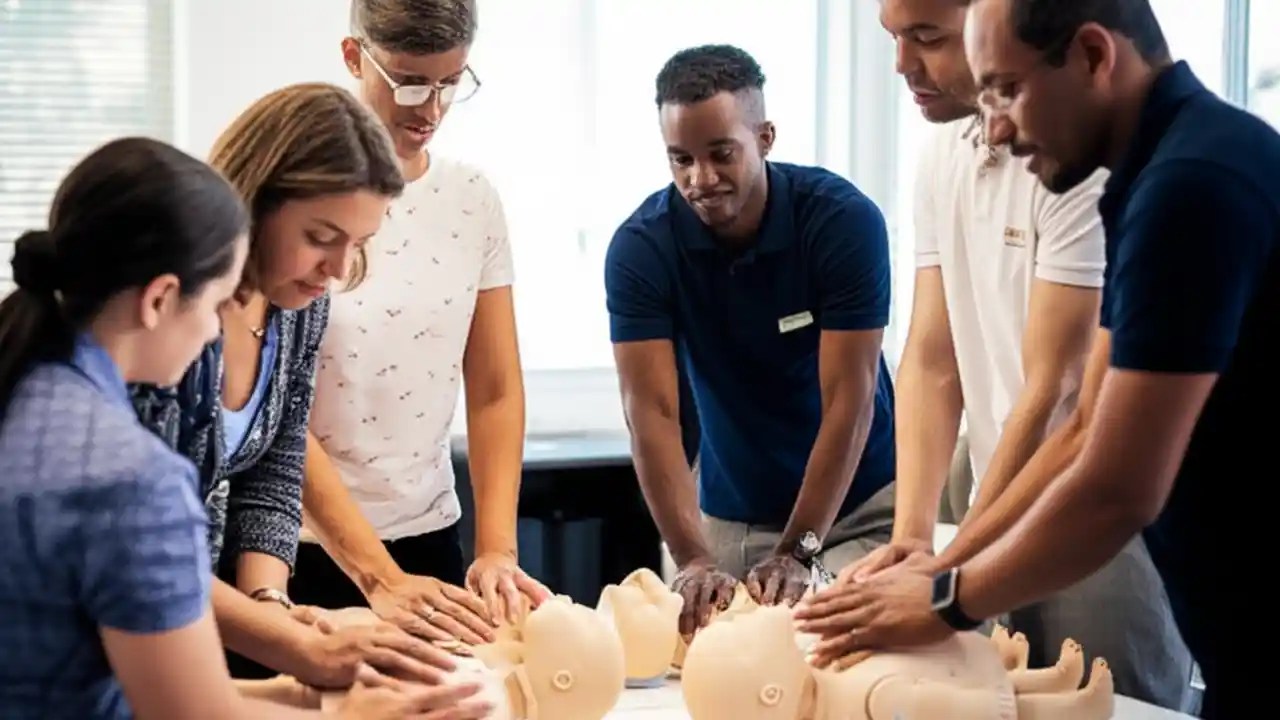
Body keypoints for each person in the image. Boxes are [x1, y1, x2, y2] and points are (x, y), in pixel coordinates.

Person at [795, 0, 1278, 715]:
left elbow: (1119, 485)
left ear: (1091, 55)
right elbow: (1087, 421)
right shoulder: (1161, 171)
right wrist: (938, 564)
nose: (993, 126)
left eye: (1007, 91)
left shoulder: (1193, 186)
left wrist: (948, 599)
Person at [0, 137, 484, 719]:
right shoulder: (133, 478)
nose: (213, 334)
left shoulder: (28, 395)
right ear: (159, 300)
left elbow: (111, 685)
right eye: (216, 305)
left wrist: (293, 696)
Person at [131, 82, 459, 686]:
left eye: (358, 243)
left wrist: (272, 606)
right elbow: (144, 555)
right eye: (321, 238)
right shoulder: (166, 323)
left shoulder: (297, 307)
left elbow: (275, 463)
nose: (337, 270)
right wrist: (291, 649)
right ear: (254, 202)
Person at [604, 44, 898, 638]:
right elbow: (652, 415)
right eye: (680, 159)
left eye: (721, 154)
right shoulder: (640, 249)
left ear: (764, 137)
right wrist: (691, 559)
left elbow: (851, 398)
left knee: (828, 648)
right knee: (726, 664)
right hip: (730, 515)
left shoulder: (841, 222)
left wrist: (801, 549)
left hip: (864, 506)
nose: (700, 179)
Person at [292, 0, 551, 638]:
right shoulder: (296, 196)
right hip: (297, 544)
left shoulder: (471, 199)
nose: (430, 109)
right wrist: (377, 578)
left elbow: (493, 389)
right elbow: (278, 412)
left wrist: (497, 550)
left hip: (428, 539)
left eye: (450, 83)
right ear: (354, 56)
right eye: (410, 82)